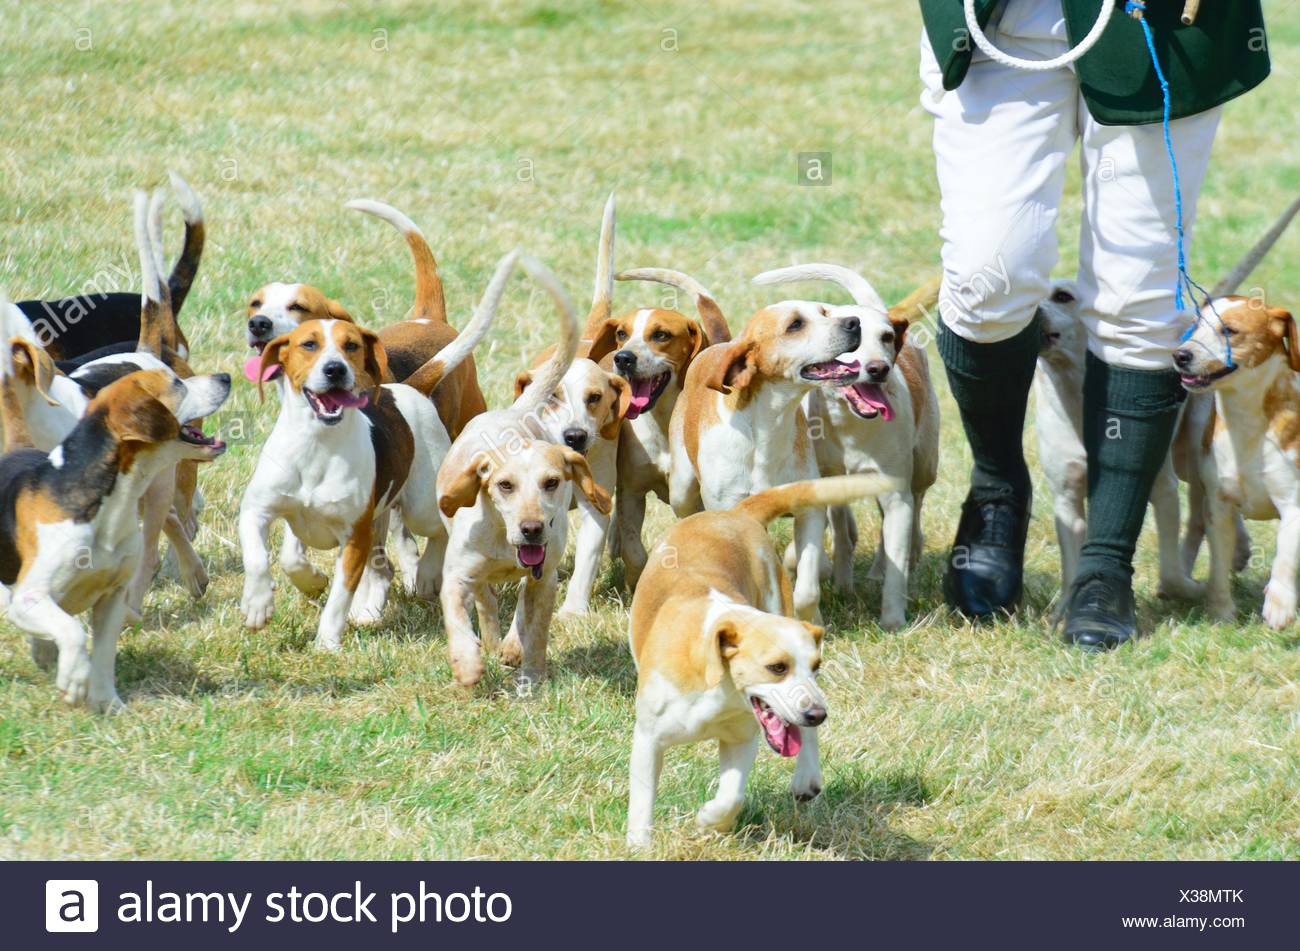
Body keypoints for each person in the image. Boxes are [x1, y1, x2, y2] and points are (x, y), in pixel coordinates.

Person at [915, 0, 1269, 648]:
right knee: (988, 272)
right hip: (1000, 19)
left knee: (1138, 295)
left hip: (1160, 23)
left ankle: (1105, 564)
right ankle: (998, 487)